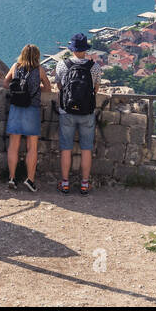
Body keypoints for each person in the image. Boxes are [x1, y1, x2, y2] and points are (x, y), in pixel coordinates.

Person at [55, 33, 100, 194]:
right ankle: (84, 184)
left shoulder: (62, 65)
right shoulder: (94, 67)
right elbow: (96, 89)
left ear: (72, 49)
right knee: (86, 148)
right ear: (85, 49)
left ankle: (65, 183)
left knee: (66, 148)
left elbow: (59, 86)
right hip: (87, 112)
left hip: (66, 111)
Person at [3, 44, 52, 192]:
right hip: (32, 110)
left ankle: (12, 178)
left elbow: (5, 83)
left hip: (16, 108)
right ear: (37, 56)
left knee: (13, 145)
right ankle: (30, 180)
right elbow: (48, 88)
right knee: (32, 147)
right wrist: (37, 89)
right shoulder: (39, 70)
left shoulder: (15, 67)